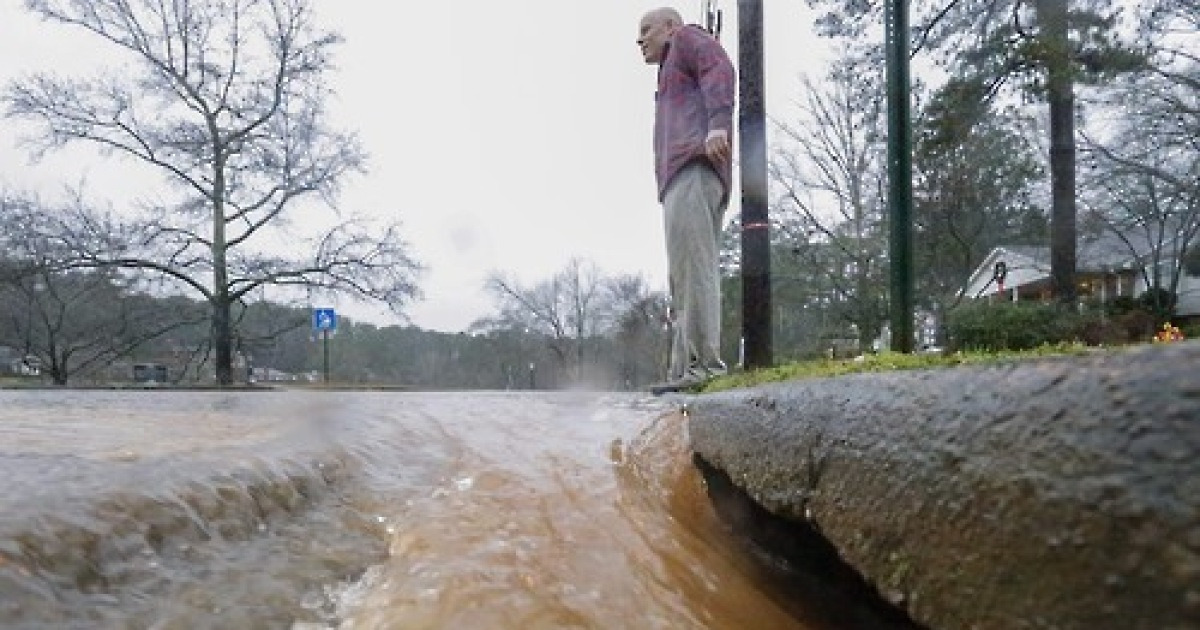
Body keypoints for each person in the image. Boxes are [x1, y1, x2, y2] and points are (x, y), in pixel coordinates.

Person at [637, 7, 735, 390]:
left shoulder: (687, 39)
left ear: (669, 27)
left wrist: (719, 126)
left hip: (694, 168)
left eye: (647, 30)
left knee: (695, 269)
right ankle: (683, 371)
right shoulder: (667, 69)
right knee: (683, 275)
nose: (640, 40)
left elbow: (719, 68)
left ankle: (703, 368)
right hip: (680, 177)